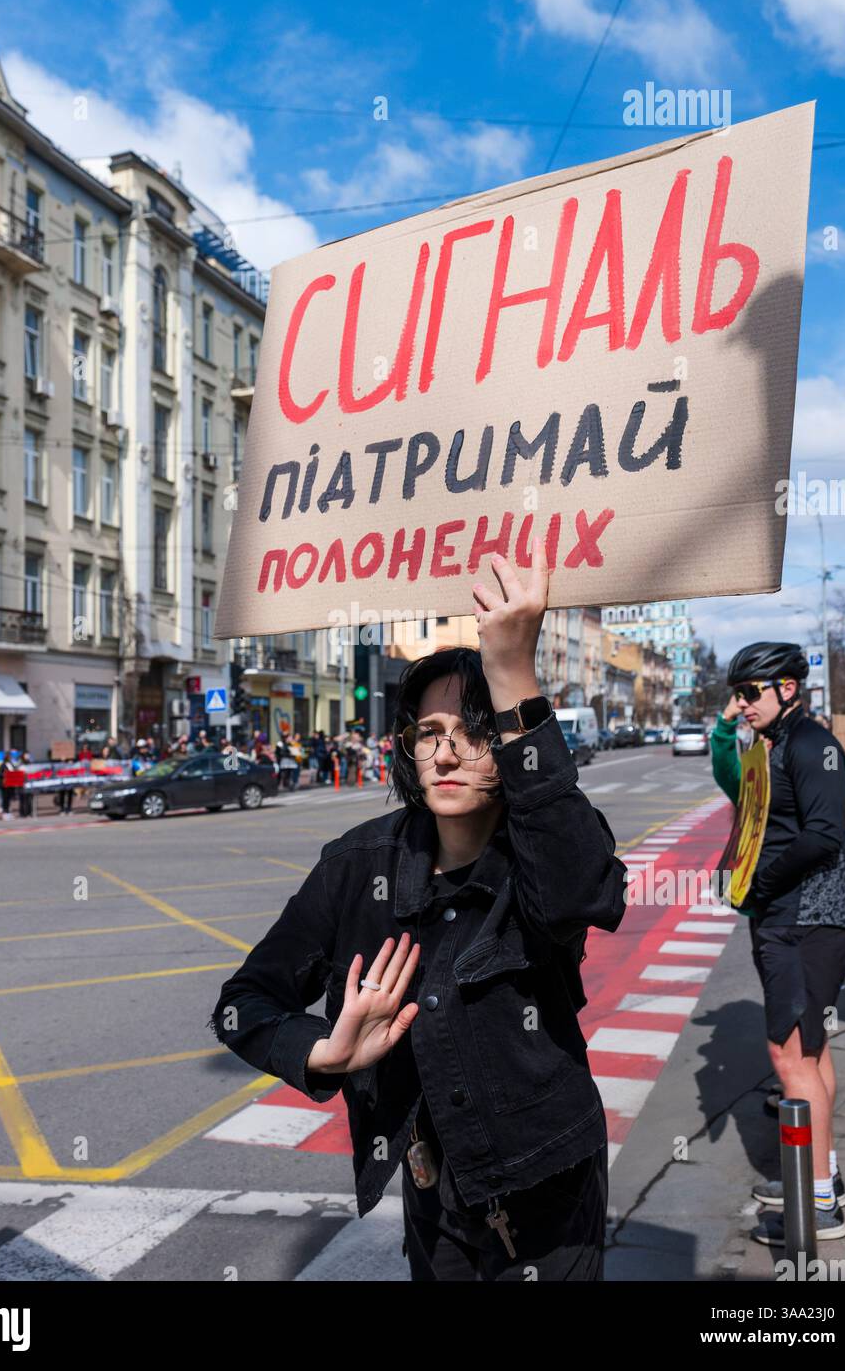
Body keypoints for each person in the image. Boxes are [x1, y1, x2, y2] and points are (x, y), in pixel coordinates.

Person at [211, 548, 627, 1281]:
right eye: (430, 732)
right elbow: (243, 1006)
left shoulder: (544, 844)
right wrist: (321, 1054)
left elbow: (578, 894)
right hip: (435, 1197)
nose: (446, 753)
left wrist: (514, 678)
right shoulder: (357, 866)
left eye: (473, 730)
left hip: (551, 1186)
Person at [722, 642, 845, 1247]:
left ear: (786, 688)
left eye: (749, 693)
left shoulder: (812, 745)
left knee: (789, 1058)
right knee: (811, 1050)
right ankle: (817, 1175)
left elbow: (825, 837)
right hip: (788, 915)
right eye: (737, 693)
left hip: (810, 917)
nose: (740, 705)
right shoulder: (774, 745)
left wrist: (759, 880)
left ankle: (820, 1203)